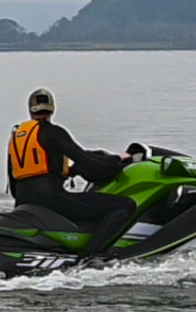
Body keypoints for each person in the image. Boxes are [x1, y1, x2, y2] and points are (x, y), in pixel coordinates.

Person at [7, 88, 136, 257]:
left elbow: (15, 181)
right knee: (125, 205)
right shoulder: (52, 132)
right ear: (52, 109)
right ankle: (92, 256)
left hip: (24, 202)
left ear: (30, 109)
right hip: (51, 199)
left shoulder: (16, 136)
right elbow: (90, 163)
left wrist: (73, 170)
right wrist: (118, 160)